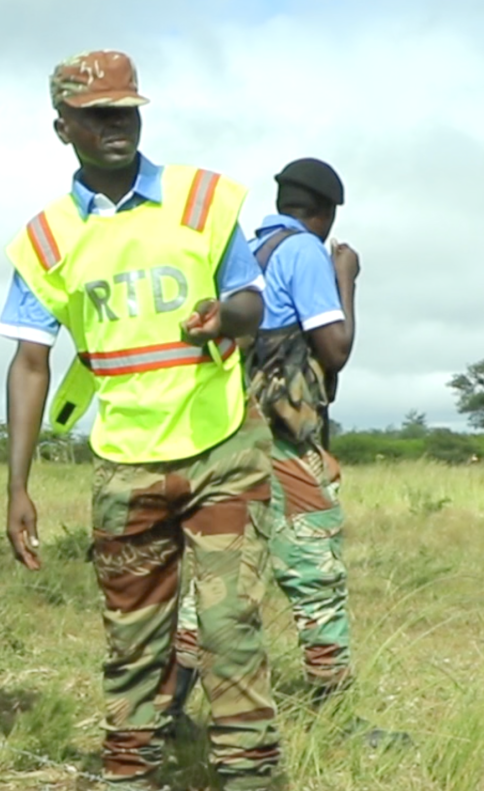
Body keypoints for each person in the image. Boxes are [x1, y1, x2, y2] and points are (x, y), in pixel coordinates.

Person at [0, 51, 283, 791]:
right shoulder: (45, 239)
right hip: (125, 462)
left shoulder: (204, 200)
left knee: (231, 633)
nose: (118, 125)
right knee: (133, 650)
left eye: (127, 110)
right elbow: (29, 360)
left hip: (221, 444)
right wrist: (18, 485)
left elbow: (251, 302)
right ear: (64, 129)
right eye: (98, 115)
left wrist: (222, 316)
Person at [171, 159, 382, 730]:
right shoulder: (304, 252)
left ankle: (167, 709)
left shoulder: (245, 250)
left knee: (220, 576)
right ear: (326, 212)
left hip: (231, 437)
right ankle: (336, 714)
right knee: (317, 570)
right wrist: (346, 277)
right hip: (285, 445)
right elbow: (334, 349)